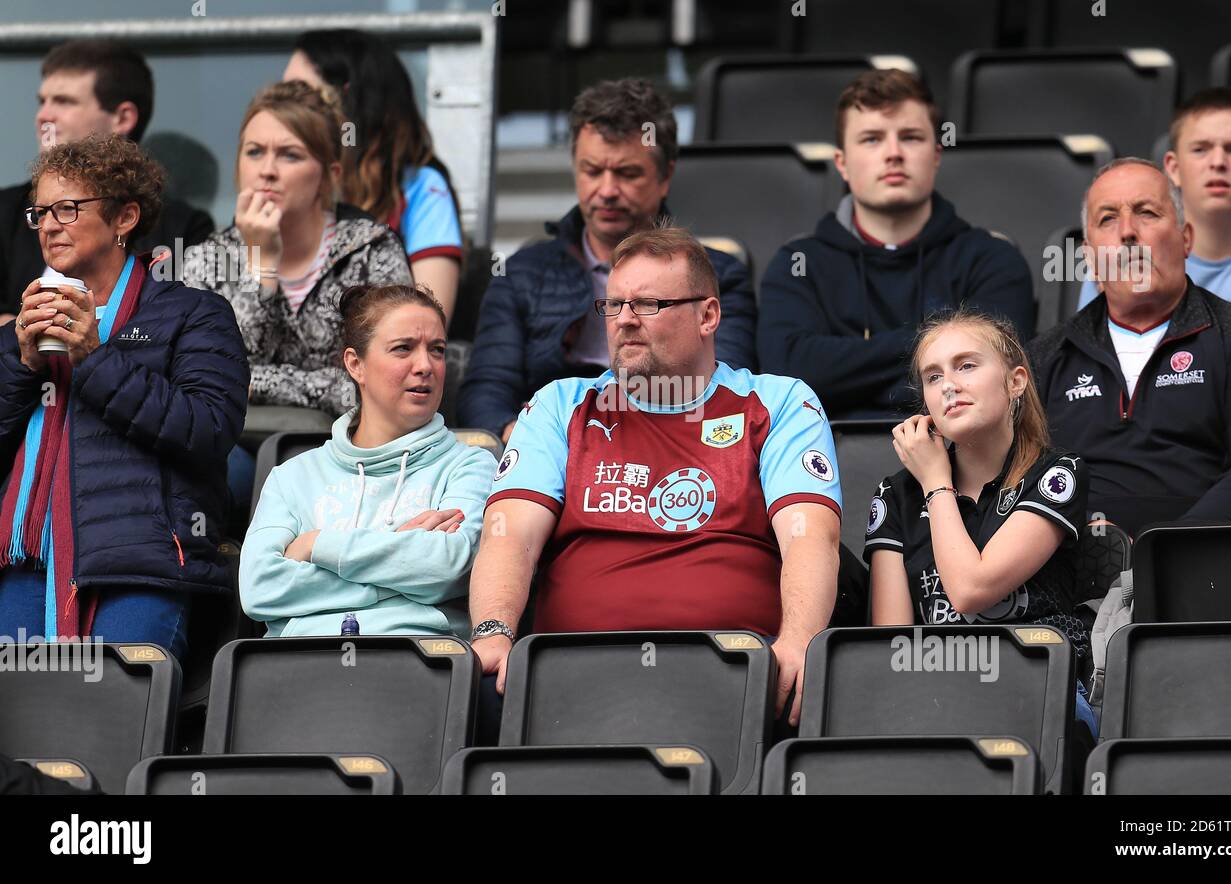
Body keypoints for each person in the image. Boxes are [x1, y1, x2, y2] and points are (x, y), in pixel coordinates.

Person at [468, 226, 840, 728]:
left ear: (707, 315)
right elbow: (510, 535)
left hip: (731, 673)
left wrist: (797, 644)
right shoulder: (561, 404)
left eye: (646, 305)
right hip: (568, 673)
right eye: (613, 304)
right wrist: (494, 632)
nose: (623, 321)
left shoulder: (778, 403)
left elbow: (810, 538)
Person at [0, 135, 249, 660]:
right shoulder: (23, 329)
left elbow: (206, 431)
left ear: (125, 217)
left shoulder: (194, 315)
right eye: (40, 212)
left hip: (142, 560)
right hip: (25, 561)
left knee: (110, 715)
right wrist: (21, 366)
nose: (47, 225)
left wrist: (94, 358)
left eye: (67, 208)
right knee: (19, 724)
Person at [458, 78, 757, 442]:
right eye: (592, 171)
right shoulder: (522, 273)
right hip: (555, 452)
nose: (607, 190)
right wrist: (531, 443)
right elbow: (485, 393)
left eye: (627, 173)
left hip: (677, 447)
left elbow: (727, 387)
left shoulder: (718, 276)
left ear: (666, 176)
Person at [1031, 158, 1231, 537]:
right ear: (1089, 258)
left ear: (1186, 238)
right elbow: (1018, 481)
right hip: (1072, 565)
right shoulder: (1045, 356)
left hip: (1202, 568)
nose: (1127, 233)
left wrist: (1165, 552)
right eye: (1107, 218)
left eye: (1147, 213)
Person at [183, 81, 411, 521]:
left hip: (348, 451)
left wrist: (261, 384)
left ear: (331, 176)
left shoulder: (370, 251)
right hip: (235, 452)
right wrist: (261, 267)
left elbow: (385, 382)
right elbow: (209, 384)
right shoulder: (205, 258)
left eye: (289, 155)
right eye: (254, 152)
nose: (267, 170)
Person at [864, 309, 1096, 735]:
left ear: (1016, 382)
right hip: (931, 692)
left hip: (1036, 682)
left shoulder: (1055, 474)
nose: (949, 384)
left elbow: (971, 591)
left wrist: (936, 482)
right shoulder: (896, 495)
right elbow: (891, 647)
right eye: (933, 377)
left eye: (967, 365)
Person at [757, 69, 1036, 419]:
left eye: (911, 137)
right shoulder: (797, 265)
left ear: (936, 155)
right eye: (871, 139)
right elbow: (788, 375)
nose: (893, 153)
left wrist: (843, 376)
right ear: (841, 164)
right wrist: (939, 356)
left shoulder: (993, 260)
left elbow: (995, 376)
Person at [240, 284, 495, 637]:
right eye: (403, 348)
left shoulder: (471, 465)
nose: (425, 365)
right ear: (355, 364)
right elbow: (260, 589)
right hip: (296, 668)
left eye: (436, 350)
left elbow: (449, 569)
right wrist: (402, 569)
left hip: (418, 664)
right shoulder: (291, 475)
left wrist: (316, 545)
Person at [1076, 89, 1231, 365]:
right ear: (1173, 167)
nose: (1218, 162)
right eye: (1200, 149)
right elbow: (1089, 364)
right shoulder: (1123, 249)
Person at [0, 39, 214, 323]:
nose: (43, 116)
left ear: (122, 118)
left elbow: (178, 329)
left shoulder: (183, 229)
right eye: (42, 101)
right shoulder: (6, 211)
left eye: (64, 101)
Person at [284, 29, 463, 323]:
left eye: (299, 92)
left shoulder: (420, 187)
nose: (282, 108)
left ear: (347, 98)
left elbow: (429, 320)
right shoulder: (290, 184)